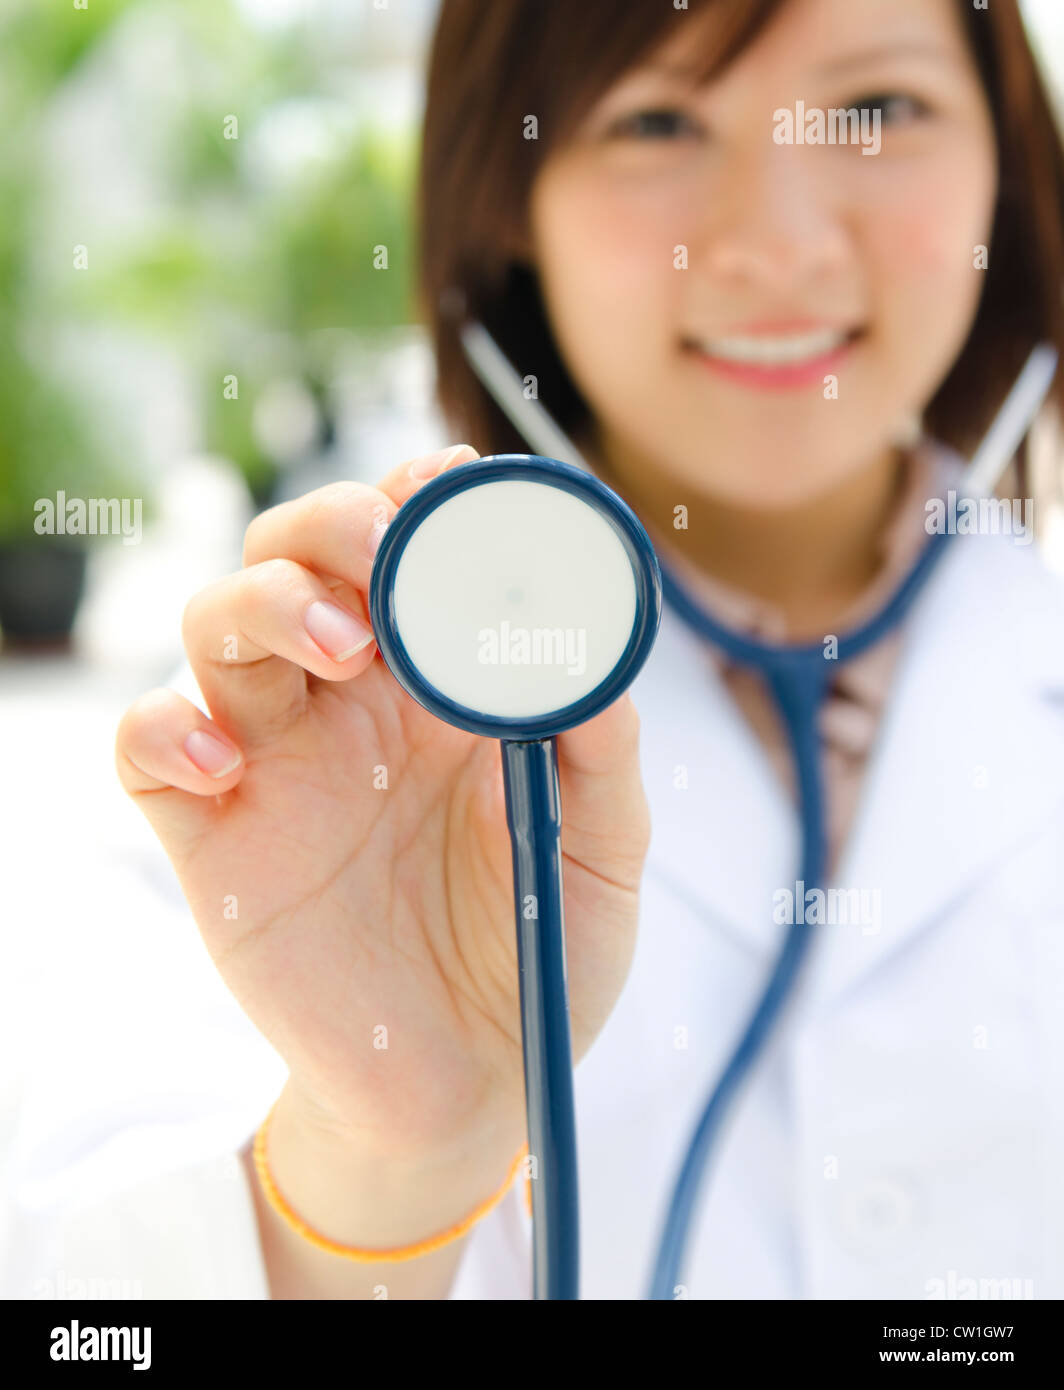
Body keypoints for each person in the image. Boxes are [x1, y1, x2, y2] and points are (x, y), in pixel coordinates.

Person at [19, 0, 1064, 1300]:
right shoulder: (273, 748)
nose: (778, 243)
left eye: (872, 111)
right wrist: (381, 1164)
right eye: (656, 119)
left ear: (1008, 166)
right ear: (510, 198)